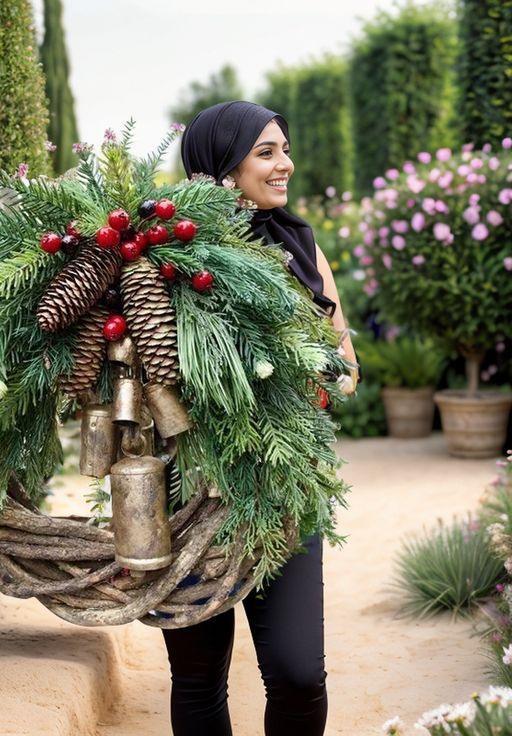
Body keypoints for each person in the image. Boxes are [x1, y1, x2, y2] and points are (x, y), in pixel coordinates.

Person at [160, 100, 359, 736]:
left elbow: (345, 360)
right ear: (222, 165)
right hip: (186, 490)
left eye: (285, 150)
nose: (286, 166)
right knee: (198, 678)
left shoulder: (301, 245)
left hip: (284, 484)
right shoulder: (166, 253)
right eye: (266, 153)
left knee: (299, 674)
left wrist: (315, 376)